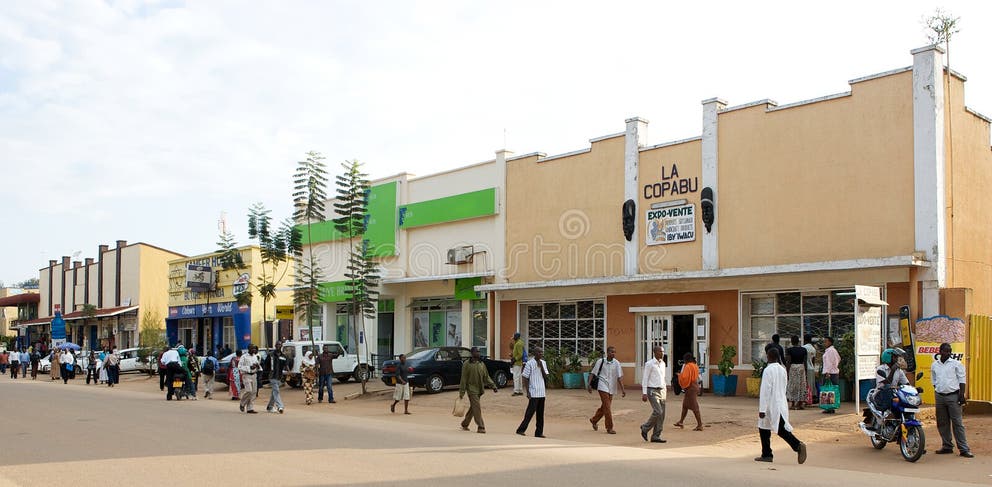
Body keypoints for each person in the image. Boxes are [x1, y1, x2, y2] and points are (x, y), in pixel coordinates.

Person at [756, 348, 807, 464]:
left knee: (780, 429)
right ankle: (766, 453)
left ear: (769, 357)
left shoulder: (768, 370)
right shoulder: (782, 369)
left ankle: (798, 445)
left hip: (770, 404)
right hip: (780, 402)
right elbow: (784, 386)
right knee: (764, 428)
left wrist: (762, 409)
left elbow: (765, 390)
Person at [931, 343, 973, 458]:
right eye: (945, 351)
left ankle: (964, 449)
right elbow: (934, 380)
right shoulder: (935, 365)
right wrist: (938, 390)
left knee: (957, 423)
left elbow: (962, 380)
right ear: (940, 351)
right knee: (942, 423)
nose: (948, 353)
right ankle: (947, 446)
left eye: (950, 351)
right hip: (939, 396)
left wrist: (961, 395)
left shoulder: (956, 364)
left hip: (953, 396)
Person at [459, 347, 499, 433]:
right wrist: (462, 392)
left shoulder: (481, 364)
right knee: (477, 407)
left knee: (474, 408)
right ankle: (481, 426)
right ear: (472, 353)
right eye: (477, 351)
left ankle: (465, 424)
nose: (479, 353)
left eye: (479, 352)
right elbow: (463, 379)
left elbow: (486, 377)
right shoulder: (466, 364)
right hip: (471, 389)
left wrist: (493, 386)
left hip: (479, 390)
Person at [588, 346, 625, 434]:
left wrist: (623, 389)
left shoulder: (616, 363)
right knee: (607, 407)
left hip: (611, 387)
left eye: (614, 352)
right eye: (612, 352)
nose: (613, 354)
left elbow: (619, 377)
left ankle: (594, 420)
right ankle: (609, 427)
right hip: (602, 385)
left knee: (605, 407)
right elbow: (593, 373)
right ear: (607, 353)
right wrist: (588, 384)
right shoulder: (601, 362)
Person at [516, 347, 548, 437]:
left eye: (542, 352)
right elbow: (525, 377)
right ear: (535, 353)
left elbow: (546, 378)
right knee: (529, 413)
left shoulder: (543, 363)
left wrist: (541, 367)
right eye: (539, 352)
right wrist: (528, 392)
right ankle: (520, 429)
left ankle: (539, 433)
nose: (541, 353)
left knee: (540, 415)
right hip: (533, 393)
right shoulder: (529, 363)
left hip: (542, 393)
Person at [640, 345, 668, 443]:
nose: (662, 353)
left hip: (662, 390)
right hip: (652, 390)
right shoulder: (649, 364)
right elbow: (645, 378)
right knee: (658, 411)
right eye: (660, 351)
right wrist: (644, 393)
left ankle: (656, 435)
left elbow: (663, 377)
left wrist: (665, 387)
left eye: (663, 351)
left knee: (662, 415)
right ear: (655, 353)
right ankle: (645, 427)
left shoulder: (663, 364)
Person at [674, 353, 704, 431]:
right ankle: (680, 422)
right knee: (685, 405)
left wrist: (679, 375)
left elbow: (685, 377)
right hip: (695, 386)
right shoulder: (695, 365)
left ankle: (700, 425)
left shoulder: (688, 366)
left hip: (690, 388)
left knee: (695, 407)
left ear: (686, 359)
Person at [785, 335, 809, 410]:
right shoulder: (804, 350)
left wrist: (787, 371)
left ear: (792, 342)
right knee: (801, 385)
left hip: (793, 368)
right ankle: (800, 403)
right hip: (801, 368)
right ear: (798, 341)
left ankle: (792, 404)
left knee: (792, 385)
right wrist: (806, 371)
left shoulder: (789, 350)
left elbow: (788, 361)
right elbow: (805, 361)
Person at [265, 345, 288, 414]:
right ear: (275, 346)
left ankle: (270, 406)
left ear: (281, 346)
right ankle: (280, 406)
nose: (278, 346)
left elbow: (286, 365)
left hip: (279, 376)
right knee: (276, 390)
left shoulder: (283, 356)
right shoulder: (271, 355)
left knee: (274, 392)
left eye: (280, 345)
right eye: (277, 345)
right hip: (272, 376)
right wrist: (267, 371)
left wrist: (288, 370)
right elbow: (266, 364)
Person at [820, 337, 840, 414]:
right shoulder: (832, 351)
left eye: (826, 341)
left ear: (830, 342)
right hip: (833, 372)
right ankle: (830, 407)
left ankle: (829, 407)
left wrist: (828, 372)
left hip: (829, 373)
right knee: (831, 391)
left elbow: (829, 362)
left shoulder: (830, 351)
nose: (824, 343)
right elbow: (838, 359)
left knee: (828, 391)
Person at [239, 345, 261, 414]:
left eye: (254, 349)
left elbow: (258, 366)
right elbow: (239, 366)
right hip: (246, 375)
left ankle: (250, 408)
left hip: (254, 375)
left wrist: (257, 366)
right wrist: (249, 367)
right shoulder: (244, 356)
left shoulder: (255, 356)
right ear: (248, 349)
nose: (254, 350)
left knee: (253, 392)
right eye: (252, 348)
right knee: (249, 390)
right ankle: (242, 403)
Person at [802, 335, 817, 403]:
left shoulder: (803, 348)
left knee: (805, 384)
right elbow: (813, 360)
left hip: (805, 368)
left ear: (805, 340)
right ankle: (810, 398)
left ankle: (806, 399)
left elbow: (803, 359)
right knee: (811, 384)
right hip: (811, 368)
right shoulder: (813, 349)